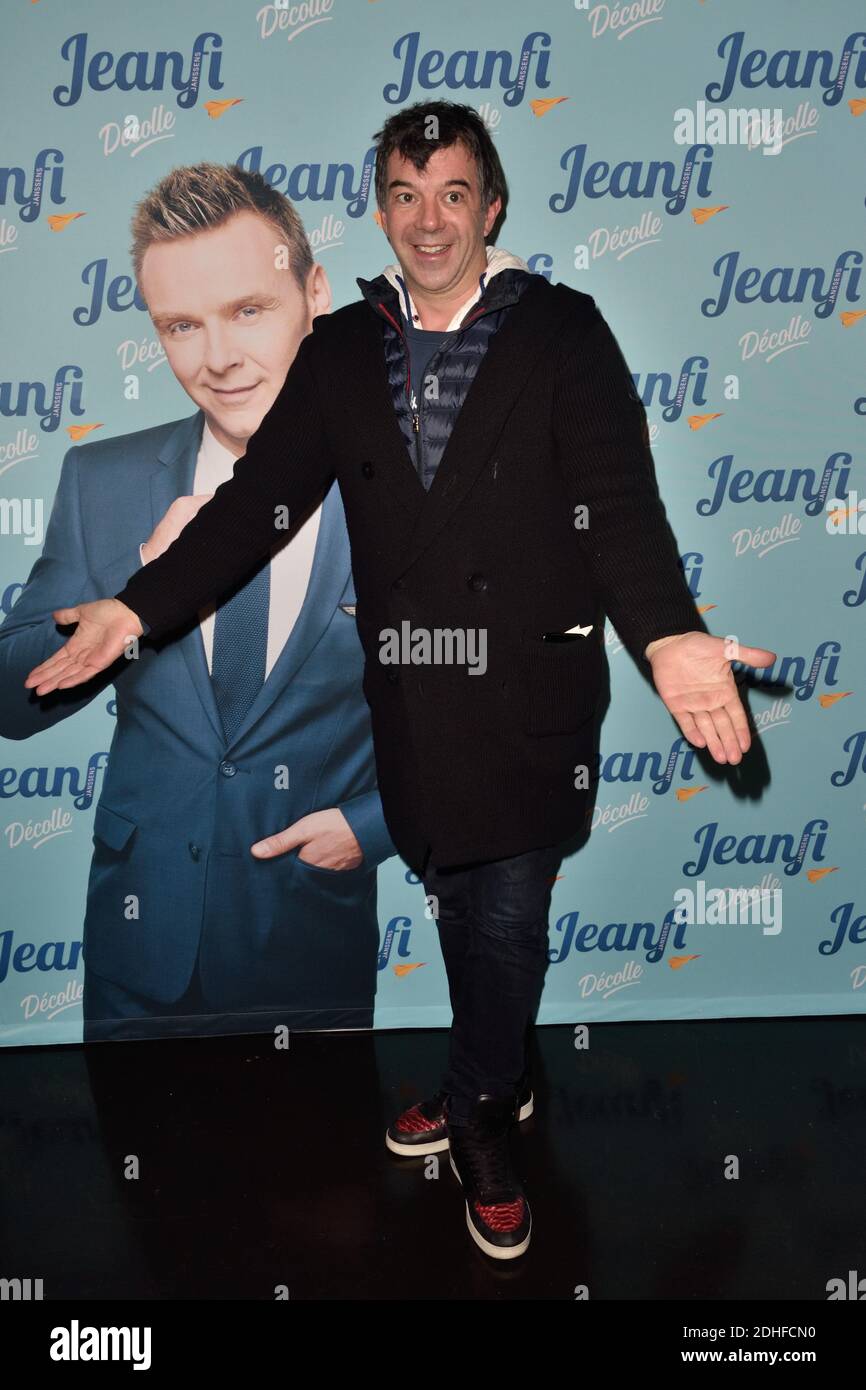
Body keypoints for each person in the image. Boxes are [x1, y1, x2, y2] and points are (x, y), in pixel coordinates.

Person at [24, 103, 775, 1258]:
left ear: (492, 207)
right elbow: (256, 511)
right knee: (466, 911)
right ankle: (503, 1062)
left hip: (528, 701)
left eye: (453, 194)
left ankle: (479, 1121)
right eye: (405, 195)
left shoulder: (562, 332)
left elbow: (617, 509)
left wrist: (668, 638)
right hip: (417, 707)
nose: (429, 220)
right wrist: (137, 603)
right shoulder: (341, 348)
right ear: (381, 210)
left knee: (509, 916)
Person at [2, 163, 394, 1040]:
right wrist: (134, 584)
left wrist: (371, 829)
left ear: (316, 295)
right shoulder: (101, 482)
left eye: (248, 310)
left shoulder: (400, 486)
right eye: (182, 325)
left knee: (328, 1180)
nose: (218, 358)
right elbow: (10, 702)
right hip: (141, 959)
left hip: (312, 953)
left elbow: (477, 701)